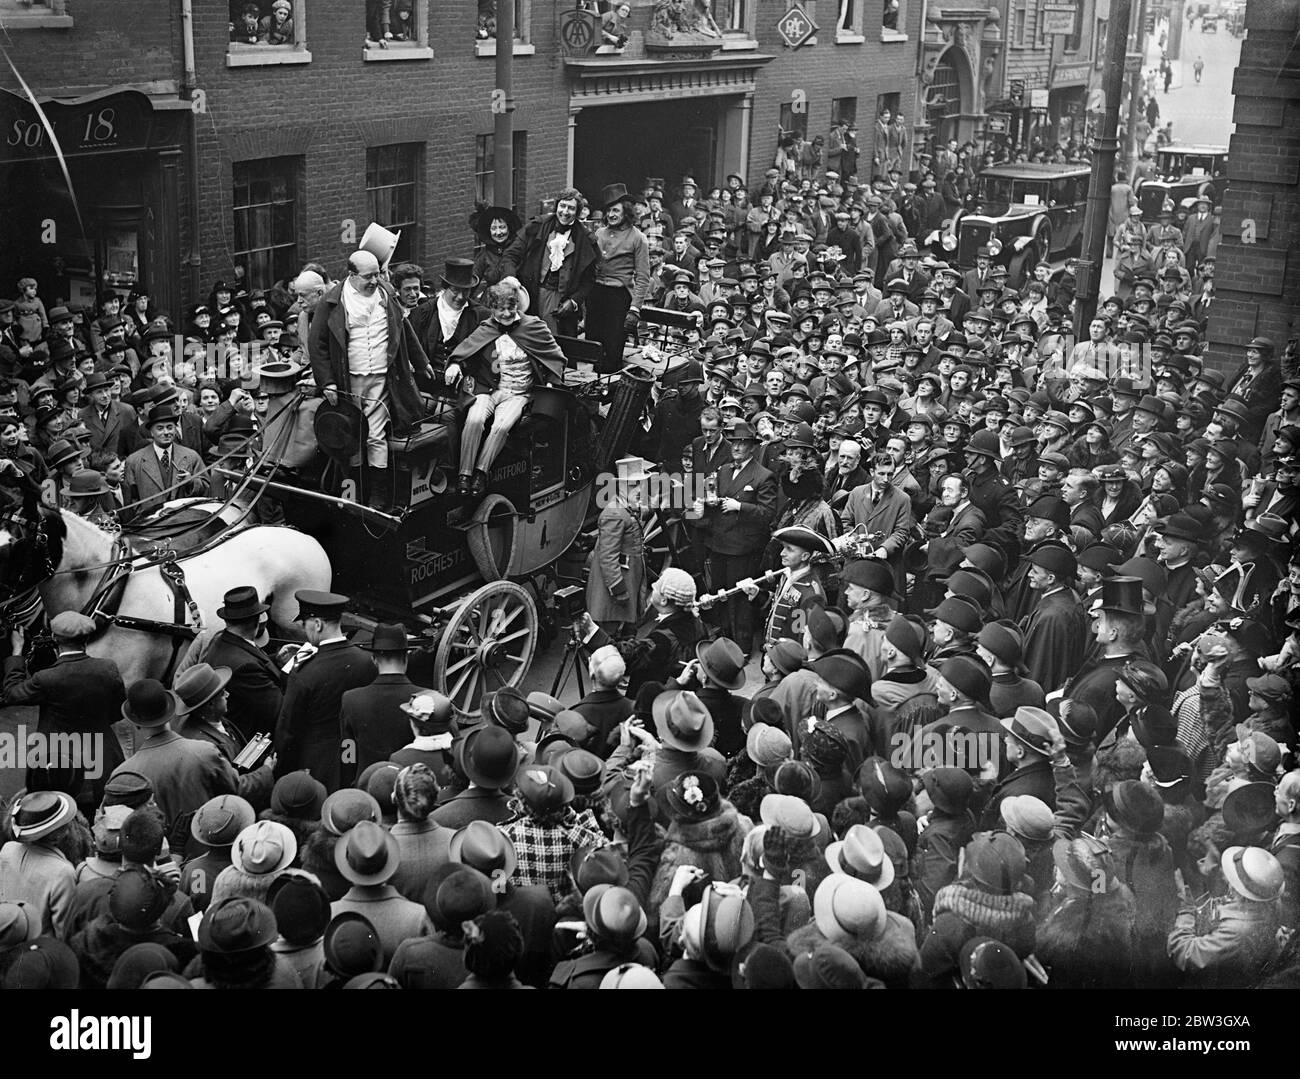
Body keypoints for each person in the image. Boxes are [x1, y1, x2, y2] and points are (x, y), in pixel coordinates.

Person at [307, 247, 434, 511]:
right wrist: (327, 382)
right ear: (351, 275)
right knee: (351, 437)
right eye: (368, 276)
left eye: (377, 274)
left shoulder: (386, 293)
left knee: (376, 435)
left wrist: (421, 362)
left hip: (381, 379)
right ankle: (355, 490)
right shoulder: (332, 302)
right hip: (348, 381)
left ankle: (378, 493)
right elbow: (317, 344)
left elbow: (403, 328)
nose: (375, 280)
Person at [446, 277, 568, 500]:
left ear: (517, 306)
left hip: (519, 393)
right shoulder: (487, 328)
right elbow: (466, 350)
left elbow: (556, 357)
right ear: (492, 309)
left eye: (510, 308)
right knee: (474, 420)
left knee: (501, 427)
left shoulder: (534, 326)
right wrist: (455, 364)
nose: (505, 313)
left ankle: (481, 473)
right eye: (500, 309)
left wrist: (551, 381)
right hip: (489, 389)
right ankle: (464, 474)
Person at [3, 612, 126, 811]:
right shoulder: (108, 668)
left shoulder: (46, 678)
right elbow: (119, 710)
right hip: (102, 759)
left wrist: (17, 652)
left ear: (55, 640)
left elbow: (11, 694)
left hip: (58, 764)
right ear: (86, 639)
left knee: (56, 813)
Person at [273, 591, 377, 793]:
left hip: (318, 764)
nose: (304, 630)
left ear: (318, 624)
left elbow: (287, 732)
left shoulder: (304, 672)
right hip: (355, 753)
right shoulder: (366, 661)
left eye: (305, 624)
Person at [502, 188, 601, 338]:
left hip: (561, 303)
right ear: (556, 206)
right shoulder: (537, 227)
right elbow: (510, 255)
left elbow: (589, 280)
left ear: (578, 212)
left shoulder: (586, 239)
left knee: (556, 348)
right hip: (530, 296)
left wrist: (574, 301)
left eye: (571, 208)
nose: (565, 212)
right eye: (562, 206)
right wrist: (511, 279)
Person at [339, 622, 429, 787]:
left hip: (366, 784)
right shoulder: (426, 698)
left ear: (374, 659)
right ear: (406, 658)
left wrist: (349, 780)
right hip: (410, 788)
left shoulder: (351, 699)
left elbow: (348, 747)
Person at [589, 183, 651, 373]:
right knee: (592, 345)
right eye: (608, 211)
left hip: (619, 298)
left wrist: (634, 309)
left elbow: (642, 277)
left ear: (626, 211)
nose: (611, 215)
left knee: (613, 348)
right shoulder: (599, 233)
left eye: (615, 210)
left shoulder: (638, 238)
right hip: (597, 295)